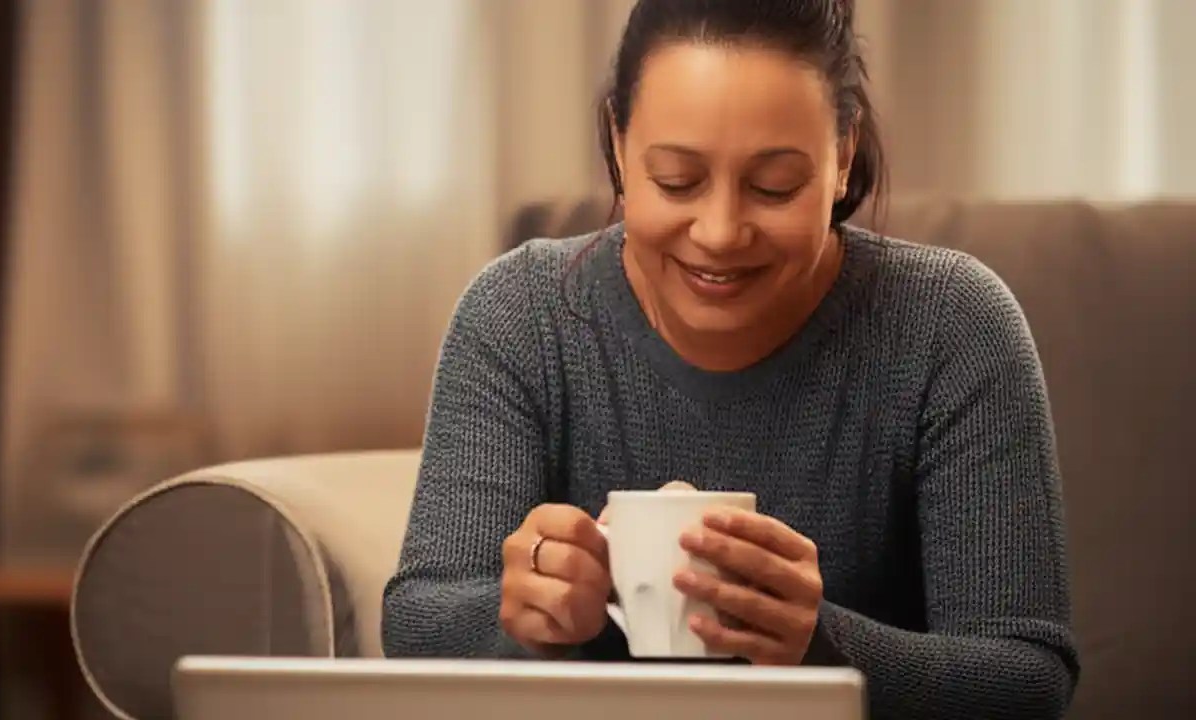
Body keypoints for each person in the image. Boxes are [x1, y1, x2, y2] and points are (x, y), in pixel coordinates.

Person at [382, 0, 1078, 717]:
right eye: (677, 181)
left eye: (773, 186)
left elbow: (1028, 680)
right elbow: (417, 624)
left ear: (843, 155)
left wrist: (821, 642)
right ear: (619, 146)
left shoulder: (950, 325)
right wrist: (529, 619)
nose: (719, 233)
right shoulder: (522, 313)